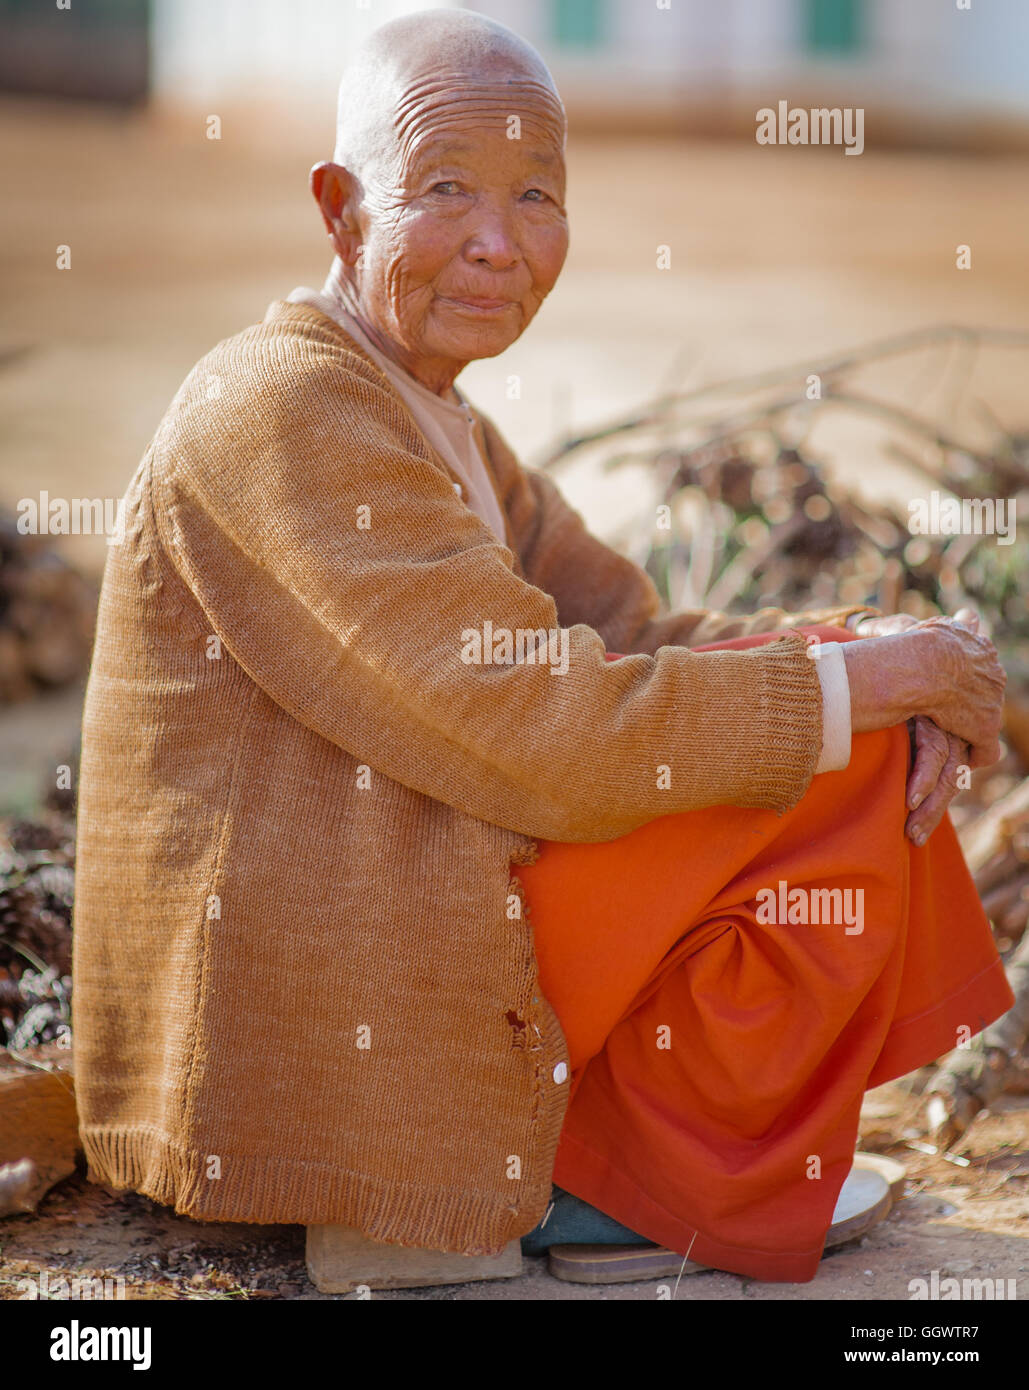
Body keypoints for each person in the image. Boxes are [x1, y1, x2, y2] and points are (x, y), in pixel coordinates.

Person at [72, 9, 1011, 1285]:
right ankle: (542, 1179)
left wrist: (878, 648)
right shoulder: (286, 405)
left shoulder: (438, 415)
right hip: (332, 1029)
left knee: (853, 723)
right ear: (343, 210)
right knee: (825, 747)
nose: (498, 241)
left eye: (537, 195)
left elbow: (635, 634)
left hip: (430, 896)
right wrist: (866, 682)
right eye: (444, 188)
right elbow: (550, 732)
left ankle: (638, 1155)